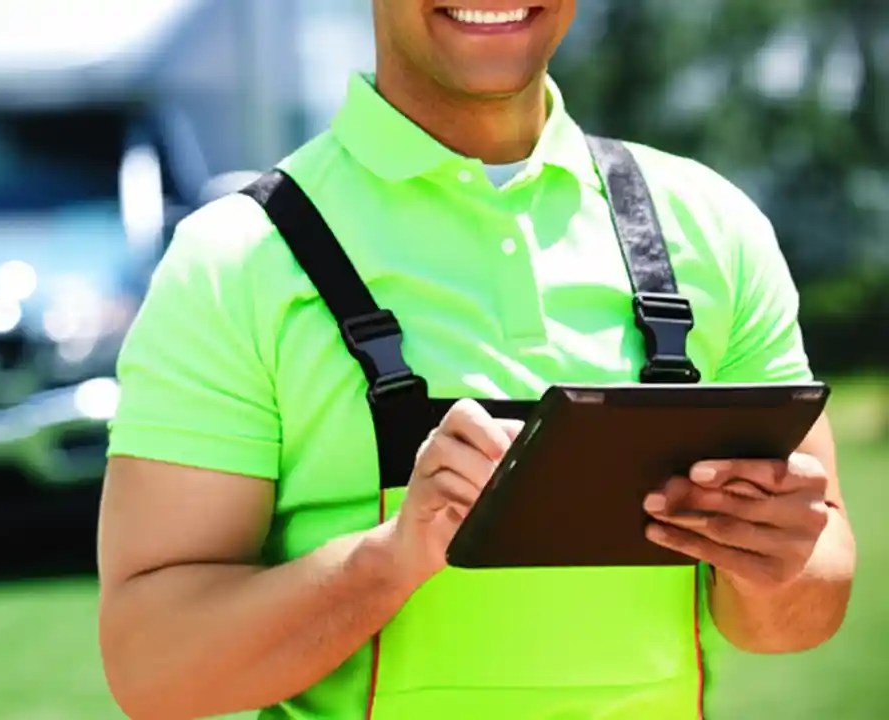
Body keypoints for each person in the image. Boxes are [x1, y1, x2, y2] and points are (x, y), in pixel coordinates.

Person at [96, 1, 858, 718]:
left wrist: (772, 560)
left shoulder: (713, 225)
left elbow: (797, 615)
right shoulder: (233, 261)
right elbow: (153, 669)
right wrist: (391, 559)